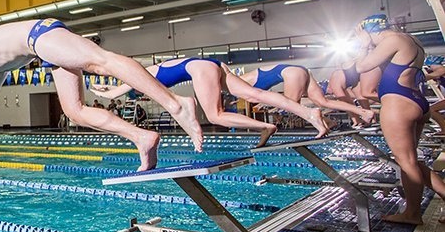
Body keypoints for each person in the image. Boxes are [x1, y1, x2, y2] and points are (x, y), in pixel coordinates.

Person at [0, 18, 203, 171]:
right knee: (75, 112)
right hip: (45, 52)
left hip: (41, 35)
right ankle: (141, 137)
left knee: (100, 61)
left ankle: (175, 104)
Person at [92, 58, 329, 147]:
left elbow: (127, 84)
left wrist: (109, 93)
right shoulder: (150, 69)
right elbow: (127, 83)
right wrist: (114, 89)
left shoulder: (143, 72)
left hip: (200, 69)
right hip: (212, 63)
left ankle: (266, 126)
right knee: (254, 94)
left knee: (215, 115)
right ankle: (310, 114)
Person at [348, 14, 445, 225]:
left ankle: (412, 214)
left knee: (407, 163)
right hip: (416, 101)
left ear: (371, 31)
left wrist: (364, 46)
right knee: (412, 162)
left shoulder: (393, 40)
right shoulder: (411, 40)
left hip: (399, 103)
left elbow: (361, 67)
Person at [240, 64, 376, 127]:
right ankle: (363, 112)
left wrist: (267, 103)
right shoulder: (238, 81)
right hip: (300, 69)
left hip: (291, 72)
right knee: (323, 102)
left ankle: (327, 122)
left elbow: (259, 97)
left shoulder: (237, 83)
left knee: (291, 106)